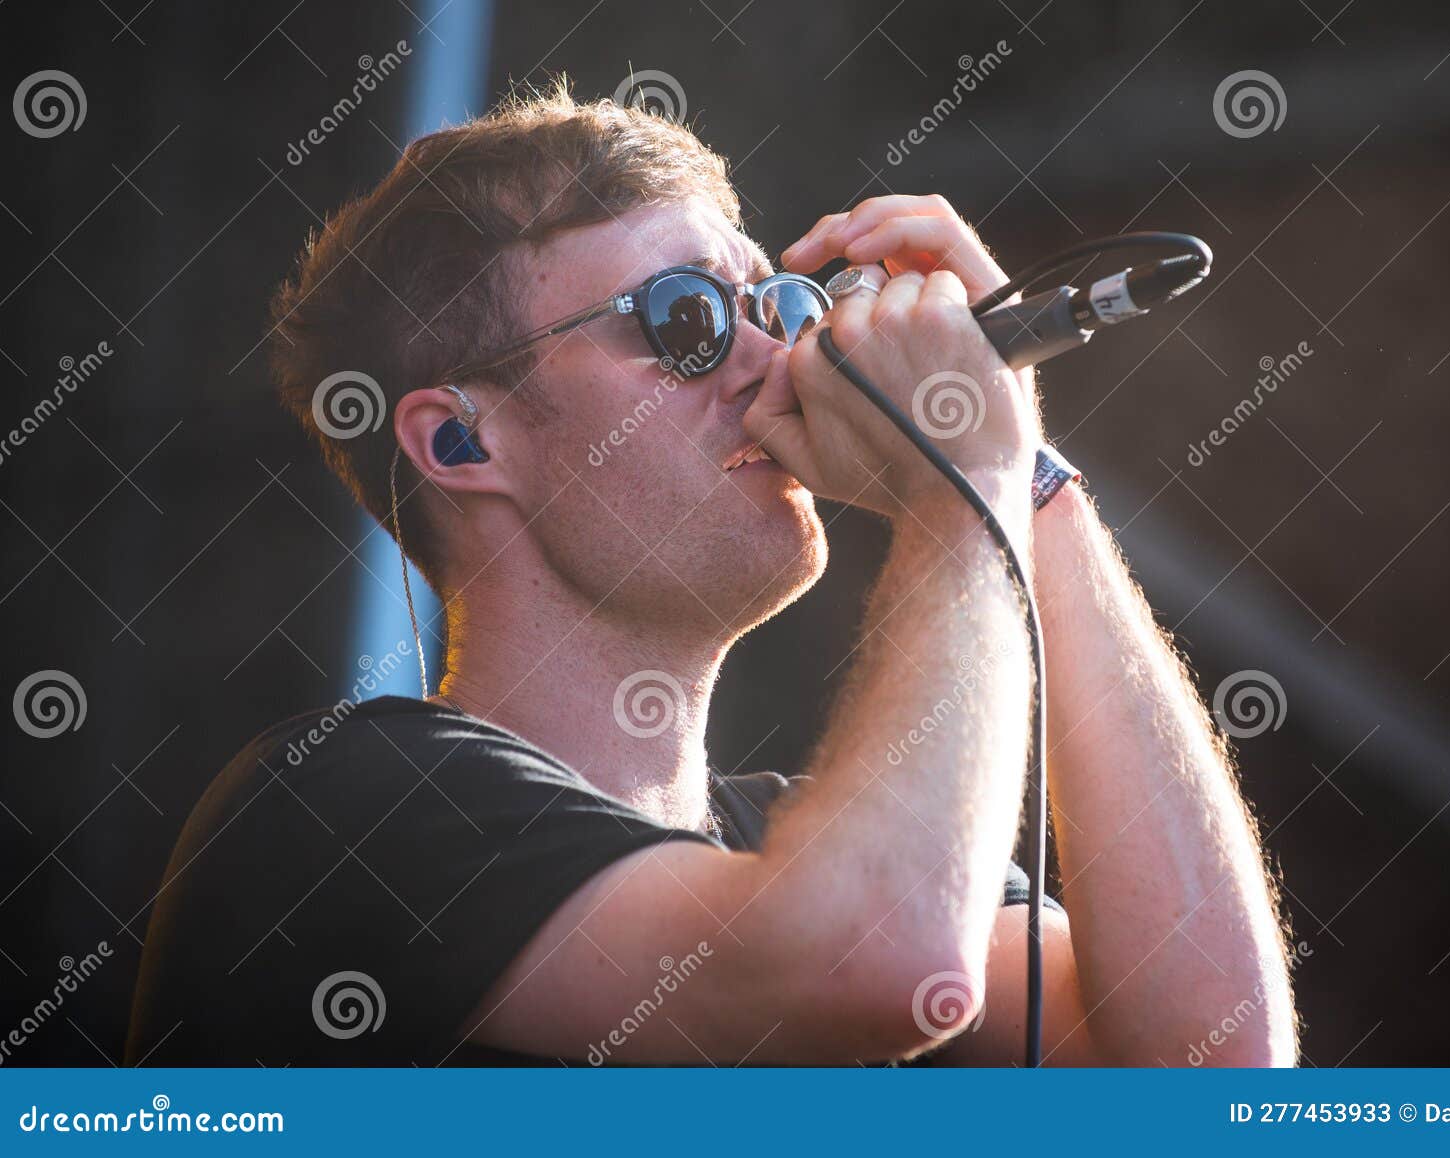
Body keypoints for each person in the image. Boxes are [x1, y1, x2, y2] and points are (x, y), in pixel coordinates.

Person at [126, 84, 1295, 1066]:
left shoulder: (806, 836)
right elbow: (878, 960)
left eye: (776, 303)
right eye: (681, 318)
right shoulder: (342, 806)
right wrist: (958, 493)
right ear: (462, 441)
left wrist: (1023, 472)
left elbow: (1215, 1060)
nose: (769, 358)